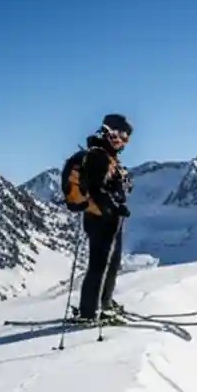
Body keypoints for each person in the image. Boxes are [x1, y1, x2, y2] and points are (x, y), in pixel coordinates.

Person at [75, 113, 133, 321]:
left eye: (127, 138)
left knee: (111, 263)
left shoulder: (108, 156)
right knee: (99, 265)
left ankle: (104, 302)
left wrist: (123, 186)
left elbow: (108, 186)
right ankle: (89, 312)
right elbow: (96, 190)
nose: (124, 142)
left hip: (109, 219)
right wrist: (115, 207)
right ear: (111, 132)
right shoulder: (99, 156)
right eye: (122, 135)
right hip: (100, 219)